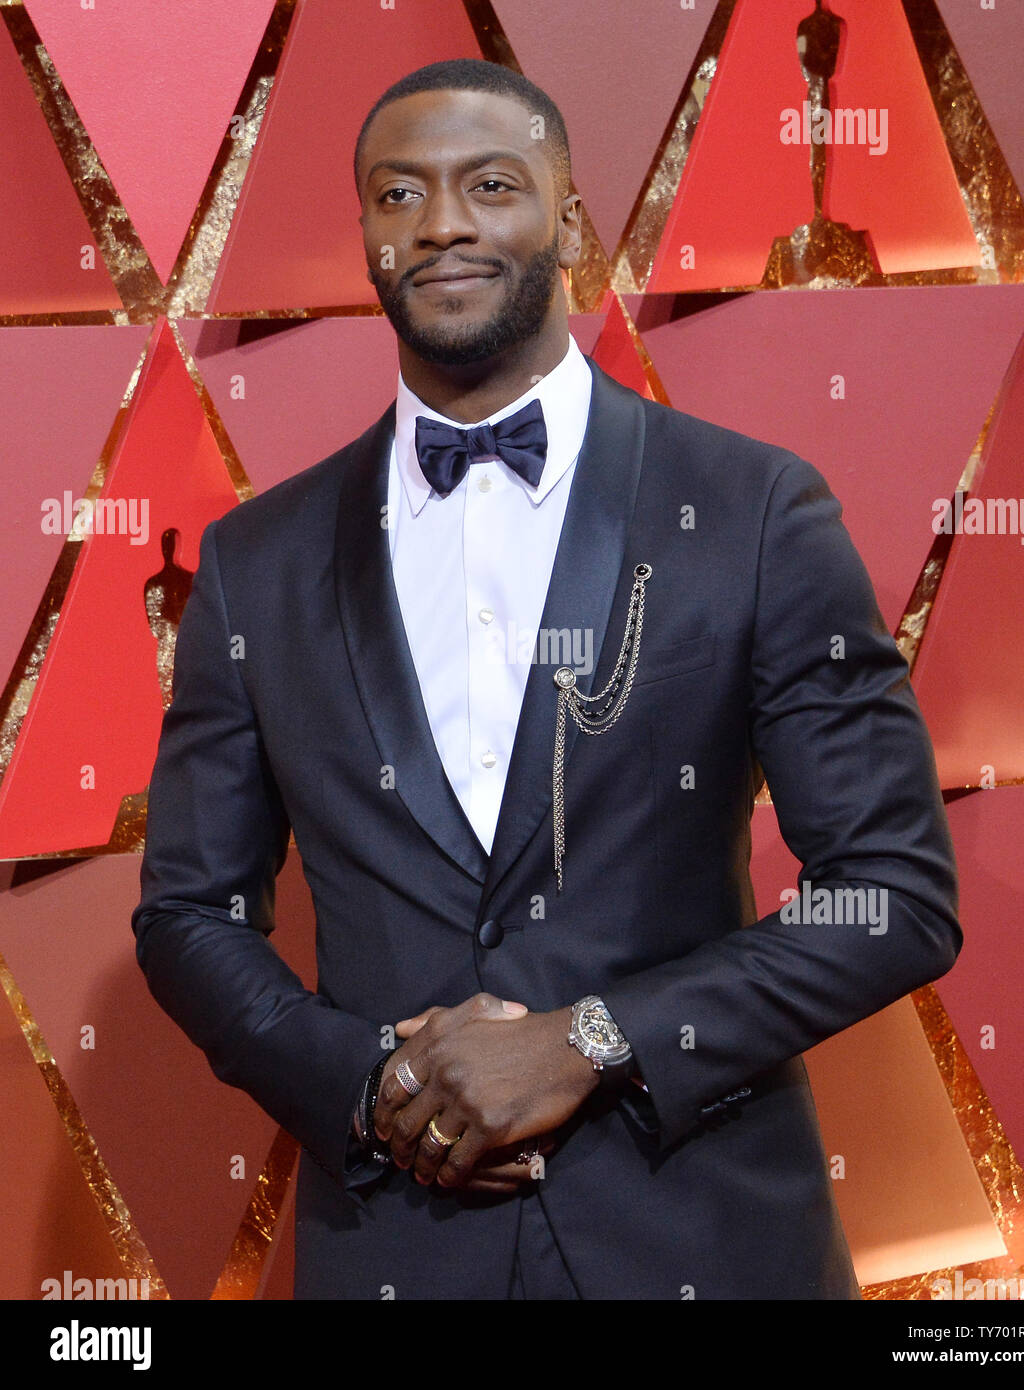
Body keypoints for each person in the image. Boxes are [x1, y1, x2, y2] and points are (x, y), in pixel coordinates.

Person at [132, 58, 961, 1300]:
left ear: (570, 222)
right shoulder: (257, 564)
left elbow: (891, 893)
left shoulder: (751, 508)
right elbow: (188, 913)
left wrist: (590, 1040)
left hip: (705, 1237)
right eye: (399, 194)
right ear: (365, 240)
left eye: (492, 184)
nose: (444, 222)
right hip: (396, 1241)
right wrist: (367, 1085)